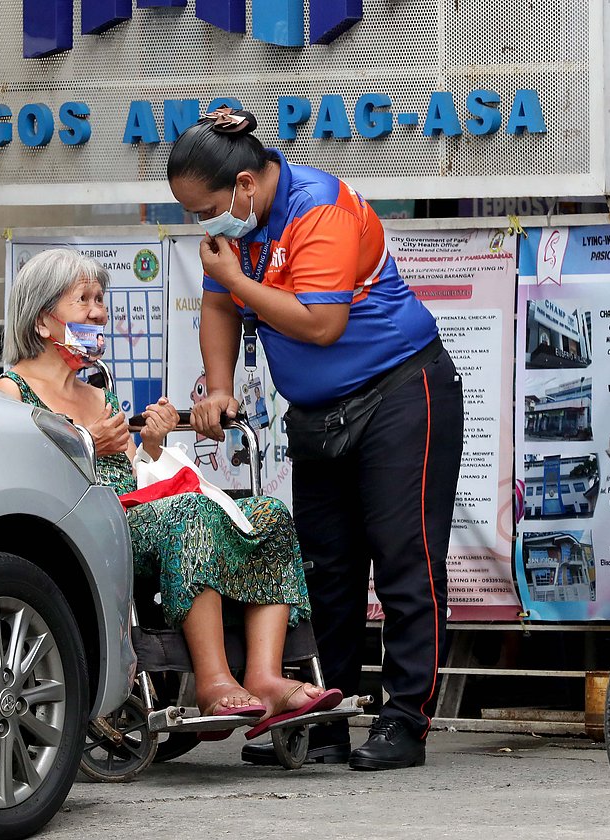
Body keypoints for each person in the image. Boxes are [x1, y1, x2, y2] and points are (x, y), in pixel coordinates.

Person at [168, 108, 464, 770]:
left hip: (401, 393)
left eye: (207, 208)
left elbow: (320, 323)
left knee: (404, 562)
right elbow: (219, 306)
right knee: (327, 572)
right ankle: (326, 718)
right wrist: (218, 389)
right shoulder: (238, 230)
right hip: (318, 414)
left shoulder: (318, 208)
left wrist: (240, 281)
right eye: (190, 214)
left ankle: (404, 720)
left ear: (246, 184)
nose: (201, 224)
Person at [0, 247, 342, 732]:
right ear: (41, 321)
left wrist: (151, 446)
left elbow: (131, 476)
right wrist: (89, 443)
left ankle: (264, 677)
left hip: (135, 516)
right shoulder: (11, 391)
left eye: (100, 299)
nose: (98, 311)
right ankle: (214, 680)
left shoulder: (99, 393)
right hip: (82, 533)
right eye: (83, 300)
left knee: (269, 514)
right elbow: (18, 482)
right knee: (189, 513)